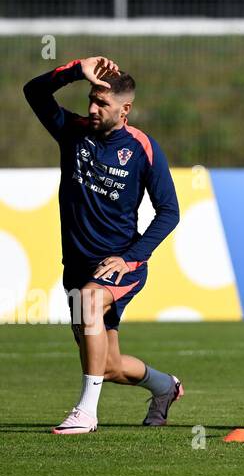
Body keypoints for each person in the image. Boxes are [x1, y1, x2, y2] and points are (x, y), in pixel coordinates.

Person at [24, 57, 183, 434]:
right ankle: (165, 386)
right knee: (107, 365)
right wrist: (76, 70)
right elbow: (33, 91)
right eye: (91, 99)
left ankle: (85, 414)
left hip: (119, 268)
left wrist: (131, 259)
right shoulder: (73, 131)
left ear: (125, 109)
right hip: (77, 269)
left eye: (103, 104)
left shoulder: (143, 149)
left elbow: (169, 212)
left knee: (92, 302)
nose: (93, 109)